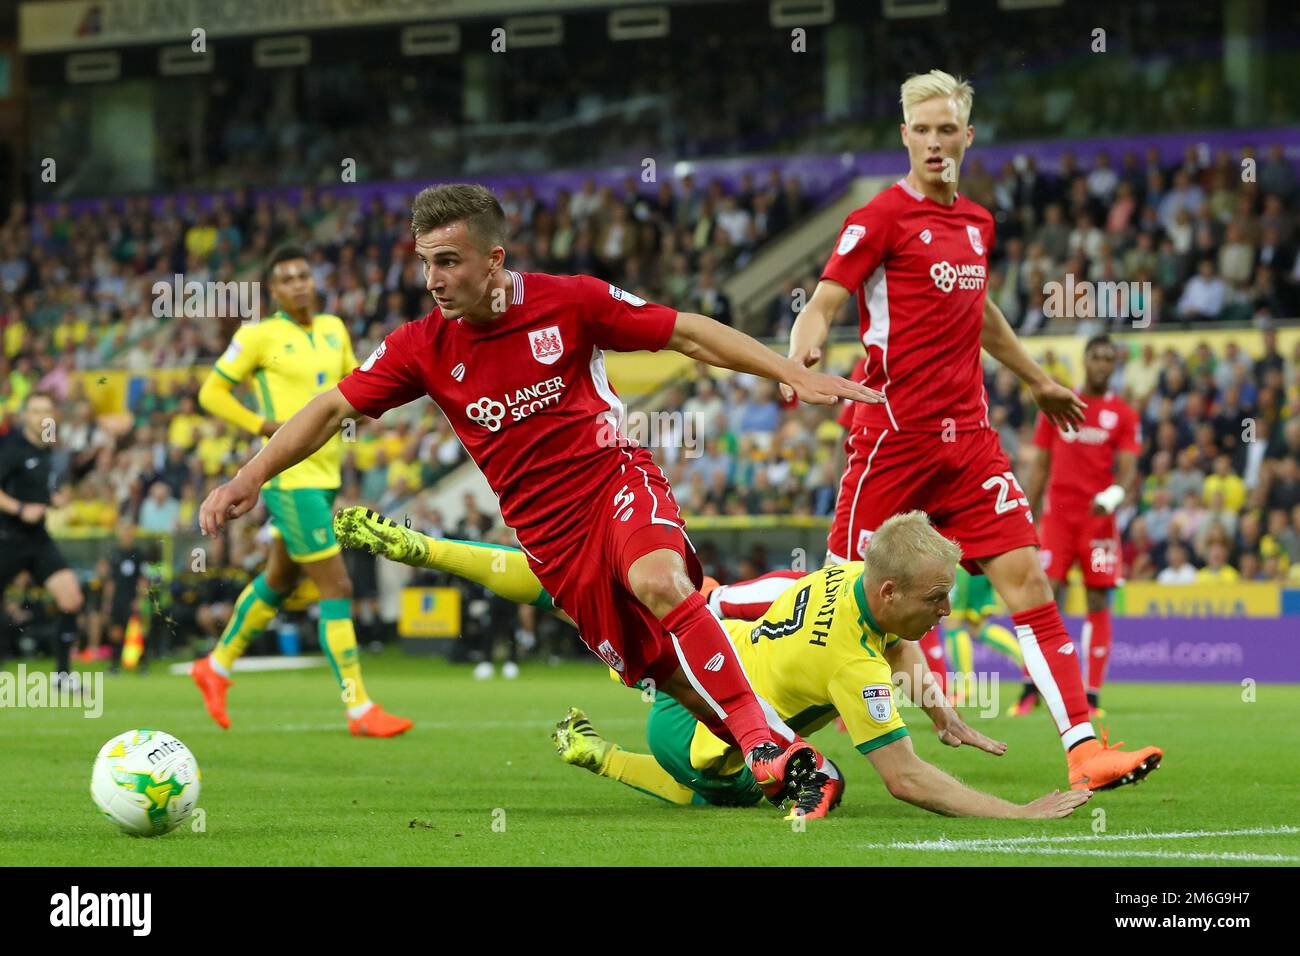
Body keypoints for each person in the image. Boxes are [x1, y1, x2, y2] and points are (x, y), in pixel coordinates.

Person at [202, 184, 880, 813]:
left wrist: (785, 369)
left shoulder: (571, 301)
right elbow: (327, 409)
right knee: (664, 675)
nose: (433, 279)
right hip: (552, 544)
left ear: (493, 259)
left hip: (615, 482)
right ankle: (792, 758)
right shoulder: (419, 348)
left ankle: (762, 740)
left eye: (448, 261)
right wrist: (248, 477)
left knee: (659, 579)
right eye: (425, 263)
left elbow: (685, 331)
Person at [783, 70, 1161, 791]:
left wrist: (1037, 379)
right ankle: (755, 733)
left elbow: (979, 311)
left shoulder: (978, 224)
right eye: (920, 130)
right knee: (837, 611)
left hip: (971, 442)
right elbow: (826, 300)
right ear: (904, 136)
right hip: (892, 442)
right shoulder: (879, 219)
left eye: (945, 129)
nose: (933, 141)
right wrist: (804, 350)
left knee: (1029, 577)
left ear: (967, 135)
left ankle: (1084, 747)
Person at [334, 506, 1092, 817]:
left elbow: (733, 601)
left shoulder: (831, 580)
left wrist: (941, 709)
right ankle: (608, 759)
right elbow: (906, 779)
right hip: (704, 737)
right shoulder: (851, 665)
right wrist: (1020, 810)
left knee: (578, 587)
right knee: (798, 781)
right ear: (889, 589)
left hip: (701, 675)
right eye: (936, 599)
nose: (947, 612)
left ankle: (429, 549)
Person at [191, 245, 412, 738]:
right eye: (287, 278)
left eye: (303, 275)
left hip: (326, 475)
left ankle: (216, 665)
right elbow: (211, 392)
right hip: (291, 480)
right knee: (337, 586)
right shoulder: (257, 335)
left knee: (281, 578)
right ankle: (358, 707)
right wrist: (261, 424)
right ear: (274, 290)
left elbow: (356, 386)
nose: (298, 284)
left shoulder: (334, 328)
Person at [1023, 334, 1139, 720]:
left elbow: (1127, 467)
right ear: (1085, 361)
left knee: (1096, 600)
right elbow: (1040, 464)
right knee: (1044, 594)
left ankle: (1092, 696)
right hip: (1057, 516)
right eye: (1096, 357)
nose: (1103, 364)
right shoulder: (1058, 402)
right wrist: (1027, 511)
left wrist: (1116, 492)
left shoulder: (1122, 414)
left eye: (1110, 358)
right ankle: (1030, 688)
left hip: (1098, 520)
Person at [0, 391, 84, 688]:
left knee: (71, 598)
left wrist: (54, 499)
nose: (42, 416)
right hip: (6, 538)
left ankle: (62, 676)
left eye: (46, 410)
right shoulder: (11, 449)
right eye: (35, 411)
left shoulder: (47, 450)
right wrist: (20, 509)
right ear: (25, 416)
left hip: (37, 539)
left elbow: (41, 489)